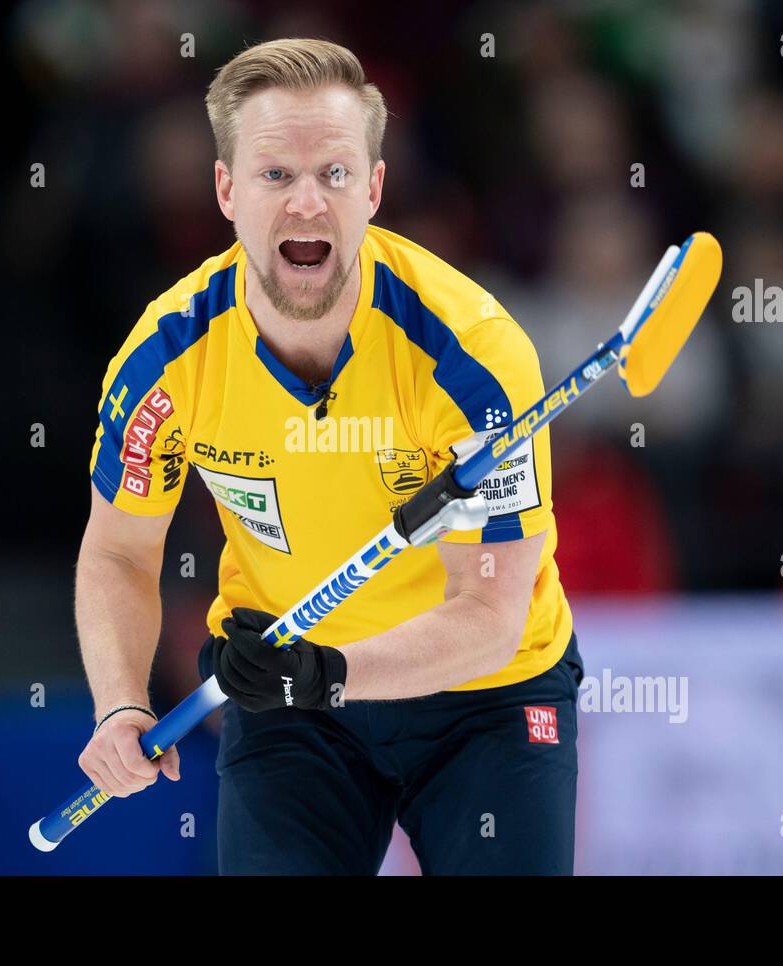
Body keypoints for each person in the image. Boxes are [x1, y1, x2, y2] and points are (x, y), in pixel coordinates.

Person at [74, 39, 583, 874]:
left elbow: (491, 620)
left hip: (484, 699)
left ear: (374, 189)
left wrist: (329, 672)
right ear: (226, 189)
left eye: (335, 174)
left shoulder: (473, 356)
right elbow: (121, 549)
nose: (307, 204)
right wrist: (119, 704)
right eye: (275, 175)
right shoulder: (164, 361)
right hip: (290, 705)